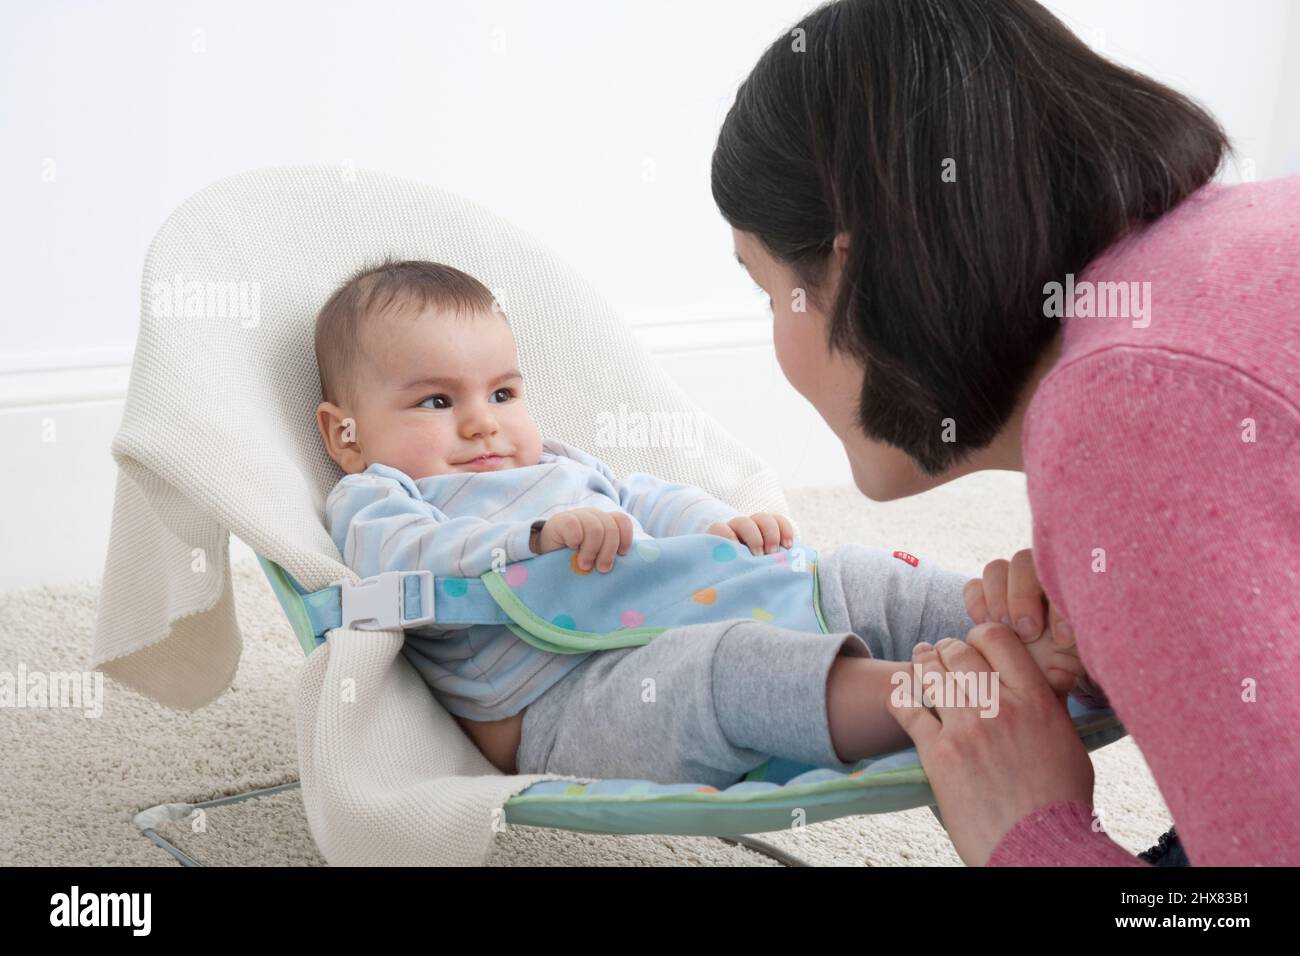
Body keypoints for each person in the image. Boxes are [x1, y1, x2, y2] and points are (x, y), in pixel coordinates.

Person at [712, 0, 1299, 864]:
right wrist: (1139, 628)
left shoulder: (1120, 408)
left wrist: (1025, 829)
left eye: (768, 294)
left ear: (849, 265)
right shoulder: (1240, 241)